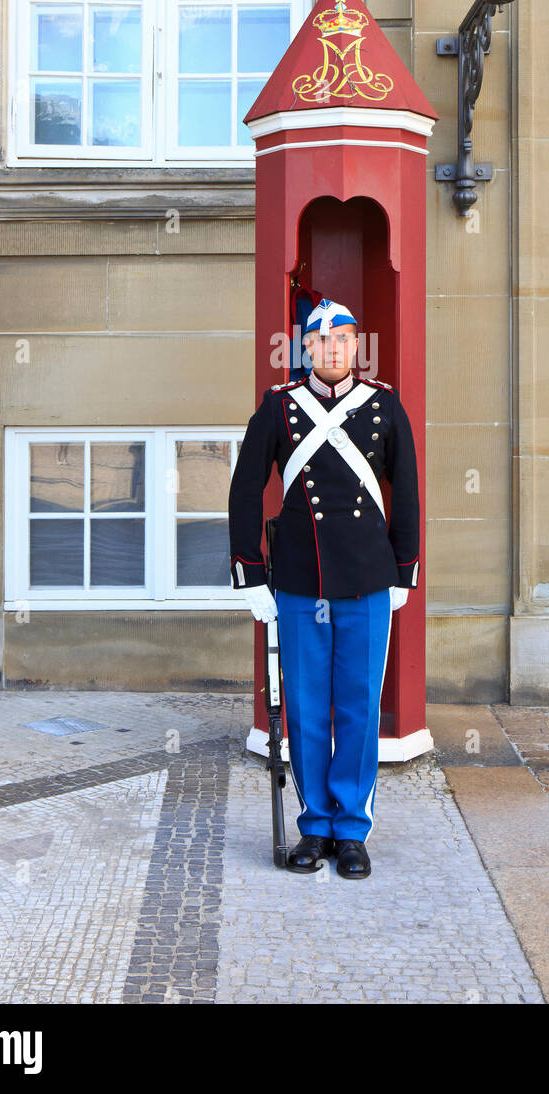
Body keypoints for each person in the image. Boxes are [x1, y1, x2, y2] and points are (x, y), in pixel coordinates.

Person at [227, 298, 420, 878]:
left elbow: (406, 492)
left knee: (358, 706)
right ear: (305, 347)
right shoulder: (277, 408)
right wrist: (250, 574)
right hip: (298, 581)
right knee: (308, 706)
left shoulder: (384, 406)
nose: (333, 350)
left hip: (366, 580)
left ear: (356, 347)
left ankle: (352, 828)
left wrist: (404, 570)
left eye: (344, 340)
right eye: (321, 340)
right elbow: (243, 490)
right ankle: (314, 825)